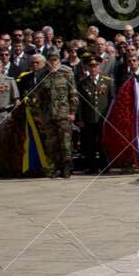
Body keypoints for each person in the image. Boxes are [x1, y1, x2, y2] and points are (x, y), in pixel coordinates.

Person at [32, 46, 78, 178]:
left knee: (65, 142)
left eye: (56, 59)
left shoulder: (66, 72)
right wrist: (39, 114)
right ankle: (56, 167)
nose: (53, 62)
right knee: (52, 143)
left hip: (64, 113)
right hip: (48, 114)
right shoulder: (42, 75)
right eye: (51, 59)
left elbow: (73, 94)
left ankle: (67, 166)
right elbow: (38, 97)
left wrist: (72, 112)